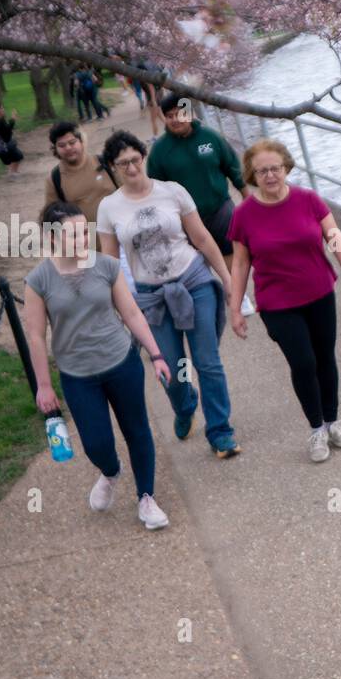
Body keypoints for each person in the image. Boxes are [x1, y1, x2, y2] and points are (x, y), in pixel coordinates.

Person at [22, 201, 172, 529]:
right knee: (96, 443)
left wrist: (156, 355)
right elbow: (35, 337)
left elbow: (131, 313)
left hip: (121, 362)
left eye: (83, 231)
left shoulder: (105, 265)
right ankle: (110, 471)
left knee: (138, 431)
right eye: (72, 233)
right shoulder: (38, 281)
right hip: (77, 375)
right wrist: (44, 386)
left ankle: (146, 499)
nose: (81, 239)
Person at [96, 130, 242, 458]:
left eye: (135, 160)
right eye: (123, 164)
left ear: (143, 157)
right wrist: (115, 303)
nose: (132, 168)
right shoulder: (108, 208)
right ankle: (184, 403)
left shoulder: (172, 192)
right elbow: (109, 261)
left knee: (208, 361)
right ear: (113, 167)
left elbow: (202, 239)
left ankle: (220, 432)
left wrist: (228, 280)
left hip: (194, 281)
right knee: (172, 370)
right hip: (151, 295)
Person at [228, 139, 341, 463]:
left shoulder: (308, 200)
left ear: (286, 167)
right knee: (303, 363)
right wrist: (236, 308)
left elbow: (335, 238)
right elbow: (240, 263)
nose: (270, 175)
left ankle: (333, 421)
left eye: (275, 168)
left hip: (318, 293)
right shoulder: (244, 214)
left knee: (324, 358)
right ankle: (316, 428)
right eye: (262, 171)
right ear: (252, 175)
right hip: (277, 303)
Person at [146, 93, 245, 263]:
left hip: (220, 209)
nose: (175, 120)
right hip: (185, 219)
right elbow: (155, 189)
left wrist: (247, 196)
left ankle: (236, 289)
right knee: (197, 264)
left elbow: (232, 167)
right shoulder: (159, 150)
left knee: (232, 257)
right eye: (169, 116)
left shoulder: (210, 137)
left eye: (179, 114)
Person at [44, 122, 118, 239]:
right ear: (55, 149)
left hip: (121, 236)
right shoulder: (54, 179)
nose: (68, 148)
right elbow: (51, 217)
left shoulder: (104, 162)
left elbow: (130, 191)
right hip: (89, 246)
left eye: (72, 142)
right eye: (62, 145)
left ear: (81, 142)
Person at [0, 101, 23, 178]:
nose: (3, 109)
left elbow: (7, 131)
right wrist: (13, 119)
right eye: (1, 108)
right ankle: (13, 173)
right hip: (3, 146)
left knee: (16, 155)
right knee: (17, 156)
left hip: (2, 146)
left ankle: (13, 172)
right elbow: (6, 131)